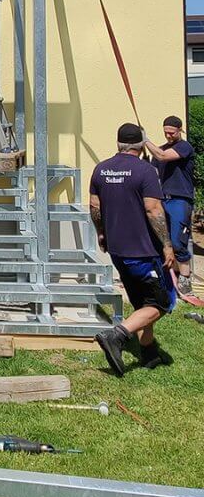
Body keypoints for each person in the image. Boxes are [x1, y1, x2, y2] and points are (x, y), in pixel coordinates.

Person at [89, 121, 177, 375]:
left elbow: (95, 207)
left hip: (117, 250)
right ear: (140, 145)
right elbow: (153, 210)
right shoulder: (146, 171)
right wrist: (167, 245)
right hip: (144, 251)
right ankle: (117, 335)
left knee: (142, 302)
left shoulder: (101, 169)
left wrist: (101, 233)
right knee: (162, 303)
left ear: (118, 143)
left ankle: (148, 352)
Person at [142, 115, 195, 296]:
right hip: (162, 199)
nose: (169, 136)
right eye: (166, 132)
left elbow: (162, 156)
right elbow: (154, 171)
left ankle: (185, 281)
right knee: (161, 240)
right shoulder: (161, 149)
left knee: (178, 241)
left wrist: (145, 140)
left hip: (180, 199)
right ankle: (167, 278)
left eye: (172, 132)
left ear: (180, 130)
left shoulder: (184, 147)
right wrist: (145, 163)